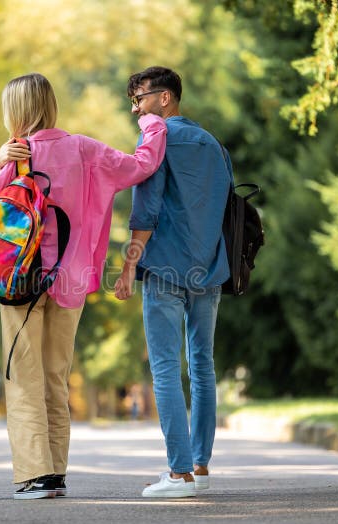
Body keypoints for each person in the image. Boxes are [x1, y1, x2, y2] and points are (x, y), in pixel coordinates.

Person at [0, 72, 167, 499]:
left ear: (16, 110)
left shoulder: (15, 155)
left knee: (24, 377)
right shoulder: (84, 148)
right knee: (57, 377)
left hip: (20, 277)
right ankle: (55, 472)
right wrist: (152, 123)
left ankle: (34, 475)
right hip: (71, 279)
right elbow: (141, 166)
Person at [114, 66, 231, 498]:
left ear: (165, 99)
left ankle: (179, 474)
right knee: (202, 365)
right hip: (211, 268)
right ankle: (199, 465)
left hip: (165, 268)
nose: (135, 109)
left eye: (140, 99)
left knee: (165, 368)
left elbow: (145, 212)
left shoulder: (157, 141)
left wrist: (128, 266)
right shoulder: (214, 145)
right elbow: (227, 209)